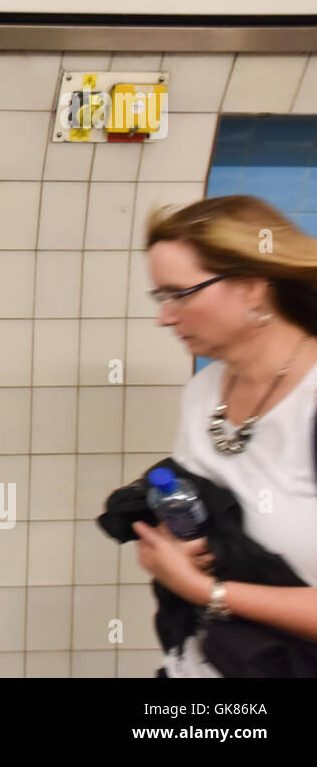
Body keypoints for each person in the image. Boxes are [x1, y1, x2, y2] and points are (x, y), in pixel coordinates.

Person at [137, 195, 317, 676]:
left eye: (181, 294)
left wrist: (207, 593)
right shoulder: (204, 390)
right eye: (160, 297)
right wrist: (180, 549)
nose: (165, 317)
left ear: (252, 287)